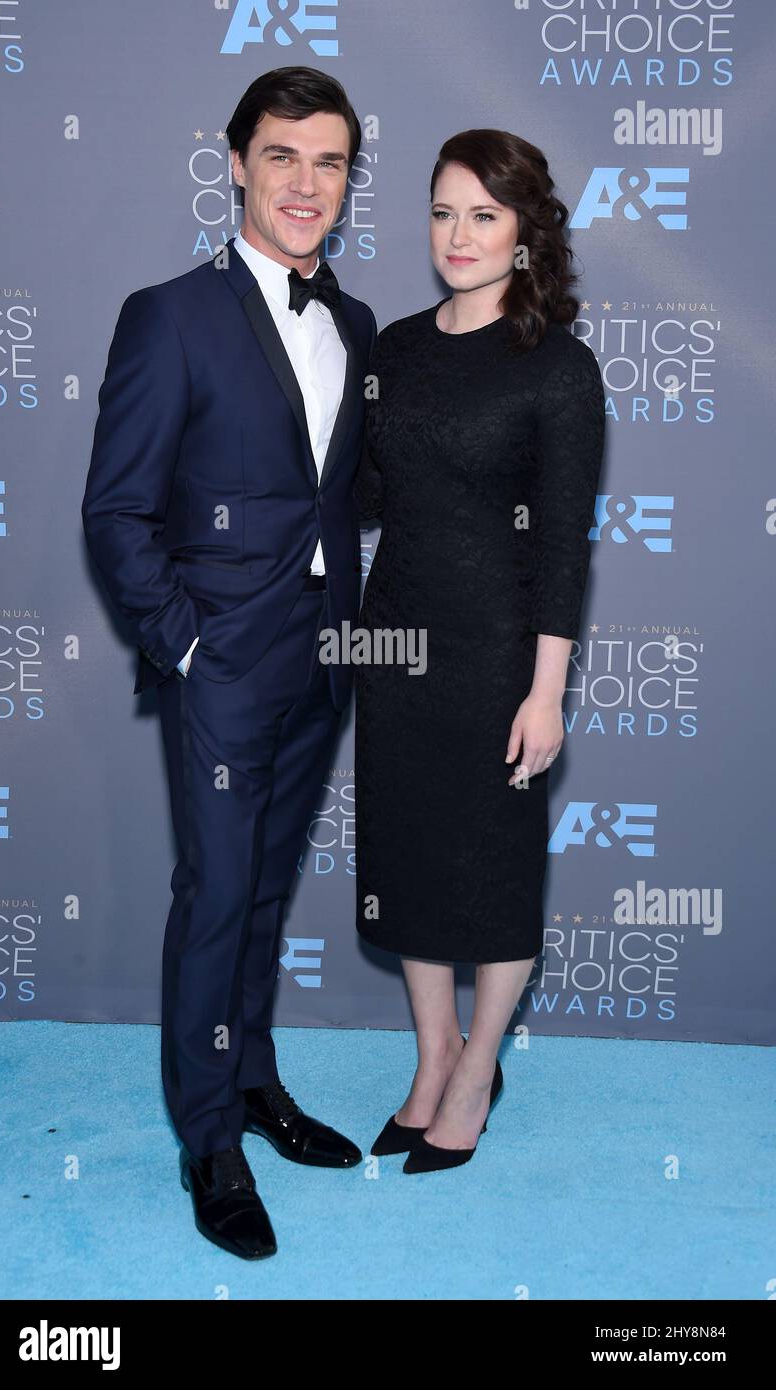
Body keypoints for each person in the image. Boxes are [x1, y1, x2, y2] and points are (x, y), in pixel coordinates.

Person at [82, 66, 376, 1258]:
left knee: (262, 894)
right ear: (239, 163)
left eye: (332, 161)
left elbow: (337, 494)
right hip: (223, 667)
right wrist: (189, 643)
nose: (307, 184)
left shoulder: (352, 323)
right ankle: (207, 1139)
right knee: (212, 900)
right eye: (284, 157)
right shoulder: (169, 312)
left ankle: (251, 1081)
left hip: (323, 662)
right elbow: (116, 511)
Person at [353, 129, 606, 1174]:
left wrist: (547, 693)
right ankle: (432, 1058)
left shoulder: (556, 365)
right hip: (395, 642)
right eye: (444, 211)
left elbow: (558, 548)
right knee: (409, 859)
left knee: (494, 871)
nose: (459, 235)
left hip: (502, 659)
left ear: (525, 233)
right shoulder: (396, 348)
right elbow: (362, 495)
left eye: (484, 215)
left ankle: (478, 1066)